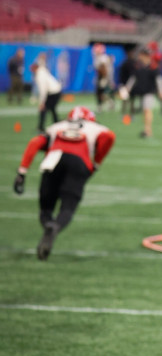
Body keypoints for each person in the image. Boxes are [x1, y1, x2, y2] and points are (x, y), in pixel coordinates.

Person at [13, 105, 116, 260]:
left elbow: (35, 143)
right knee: (67, 208)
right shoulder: (95, 127)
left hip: (53, 159)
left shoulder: (57, 126)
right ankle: (55, 227)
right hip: (78, 162)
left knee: (46, 209)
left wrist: (22, 172)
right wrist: (96, 164)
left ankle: (48, 224)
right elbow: (110, 137)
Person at [120, 48, 162, 138]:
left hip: (149, 92)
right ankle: (146, 129)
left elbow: (159, 80)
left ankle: (148, 130)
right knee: (145, 112)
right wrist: (127, 89)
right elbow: (133, 79)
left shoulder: (153, 67)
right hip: (142, 92)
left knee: (147, 110)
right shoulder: (139, 67)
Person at [31, 56, 62, 131]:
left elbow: (43, 90)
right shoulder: (42, 70)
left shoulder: (40, 74)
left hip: (53, 92)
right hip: (56, 91)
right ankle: (57, 124)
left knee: (44, 109)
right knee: (52, 109)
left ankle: (41, 127)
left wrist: (42, 102)